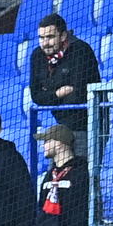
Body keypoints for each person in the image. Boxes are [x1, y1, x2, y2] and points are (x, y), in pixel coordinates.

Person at [27, 11, 100, 143]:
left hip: (88, 125)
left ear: (63, 36)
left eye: (50, 37)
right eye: (41, 38)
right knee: (53, 154)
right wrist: (58, 93)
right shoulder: (37, 55)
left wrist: (49, 95)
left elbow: (78, 95)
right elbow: (36, 96)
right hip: (60, 123)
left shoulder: (81, 50)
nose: (45, 43)